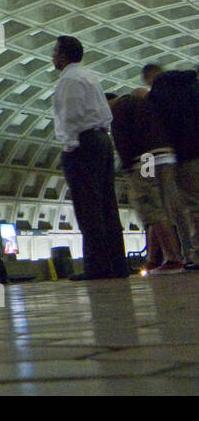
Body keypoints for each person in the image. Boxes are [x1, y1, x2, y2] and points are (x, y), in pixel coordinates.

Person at [51, 36, 128, 280]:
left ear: (63, 55)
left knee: (88, 207)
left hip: (83, 144)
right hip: (101, 140)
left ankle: (97, 267)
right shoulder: (89, 75)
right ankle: (117, 265)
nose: (52, 57)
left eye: (54, 52)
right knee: (107, 205)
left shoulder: (69, 80)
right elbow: (104, 112)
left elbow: (71, 115)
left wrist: (70, 147)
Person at [108, 93, 185, 274]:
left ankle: (173, 259)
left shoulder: (118, 109)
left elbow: (122, 140)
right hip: (166, 156)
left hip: (146, 160)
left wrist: (127, 166)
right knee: (160, 210)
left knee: (149, 207)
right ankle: (152, 259)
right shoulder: (142, 106)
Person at [149, 66, 199, 269]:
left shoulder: (159, 96)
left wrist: (148, 170)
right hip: (195, 153)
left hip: (175, 158)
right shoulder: (194, 91)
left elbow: (150, 135)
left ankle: (192, 255)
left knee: (185, 209)